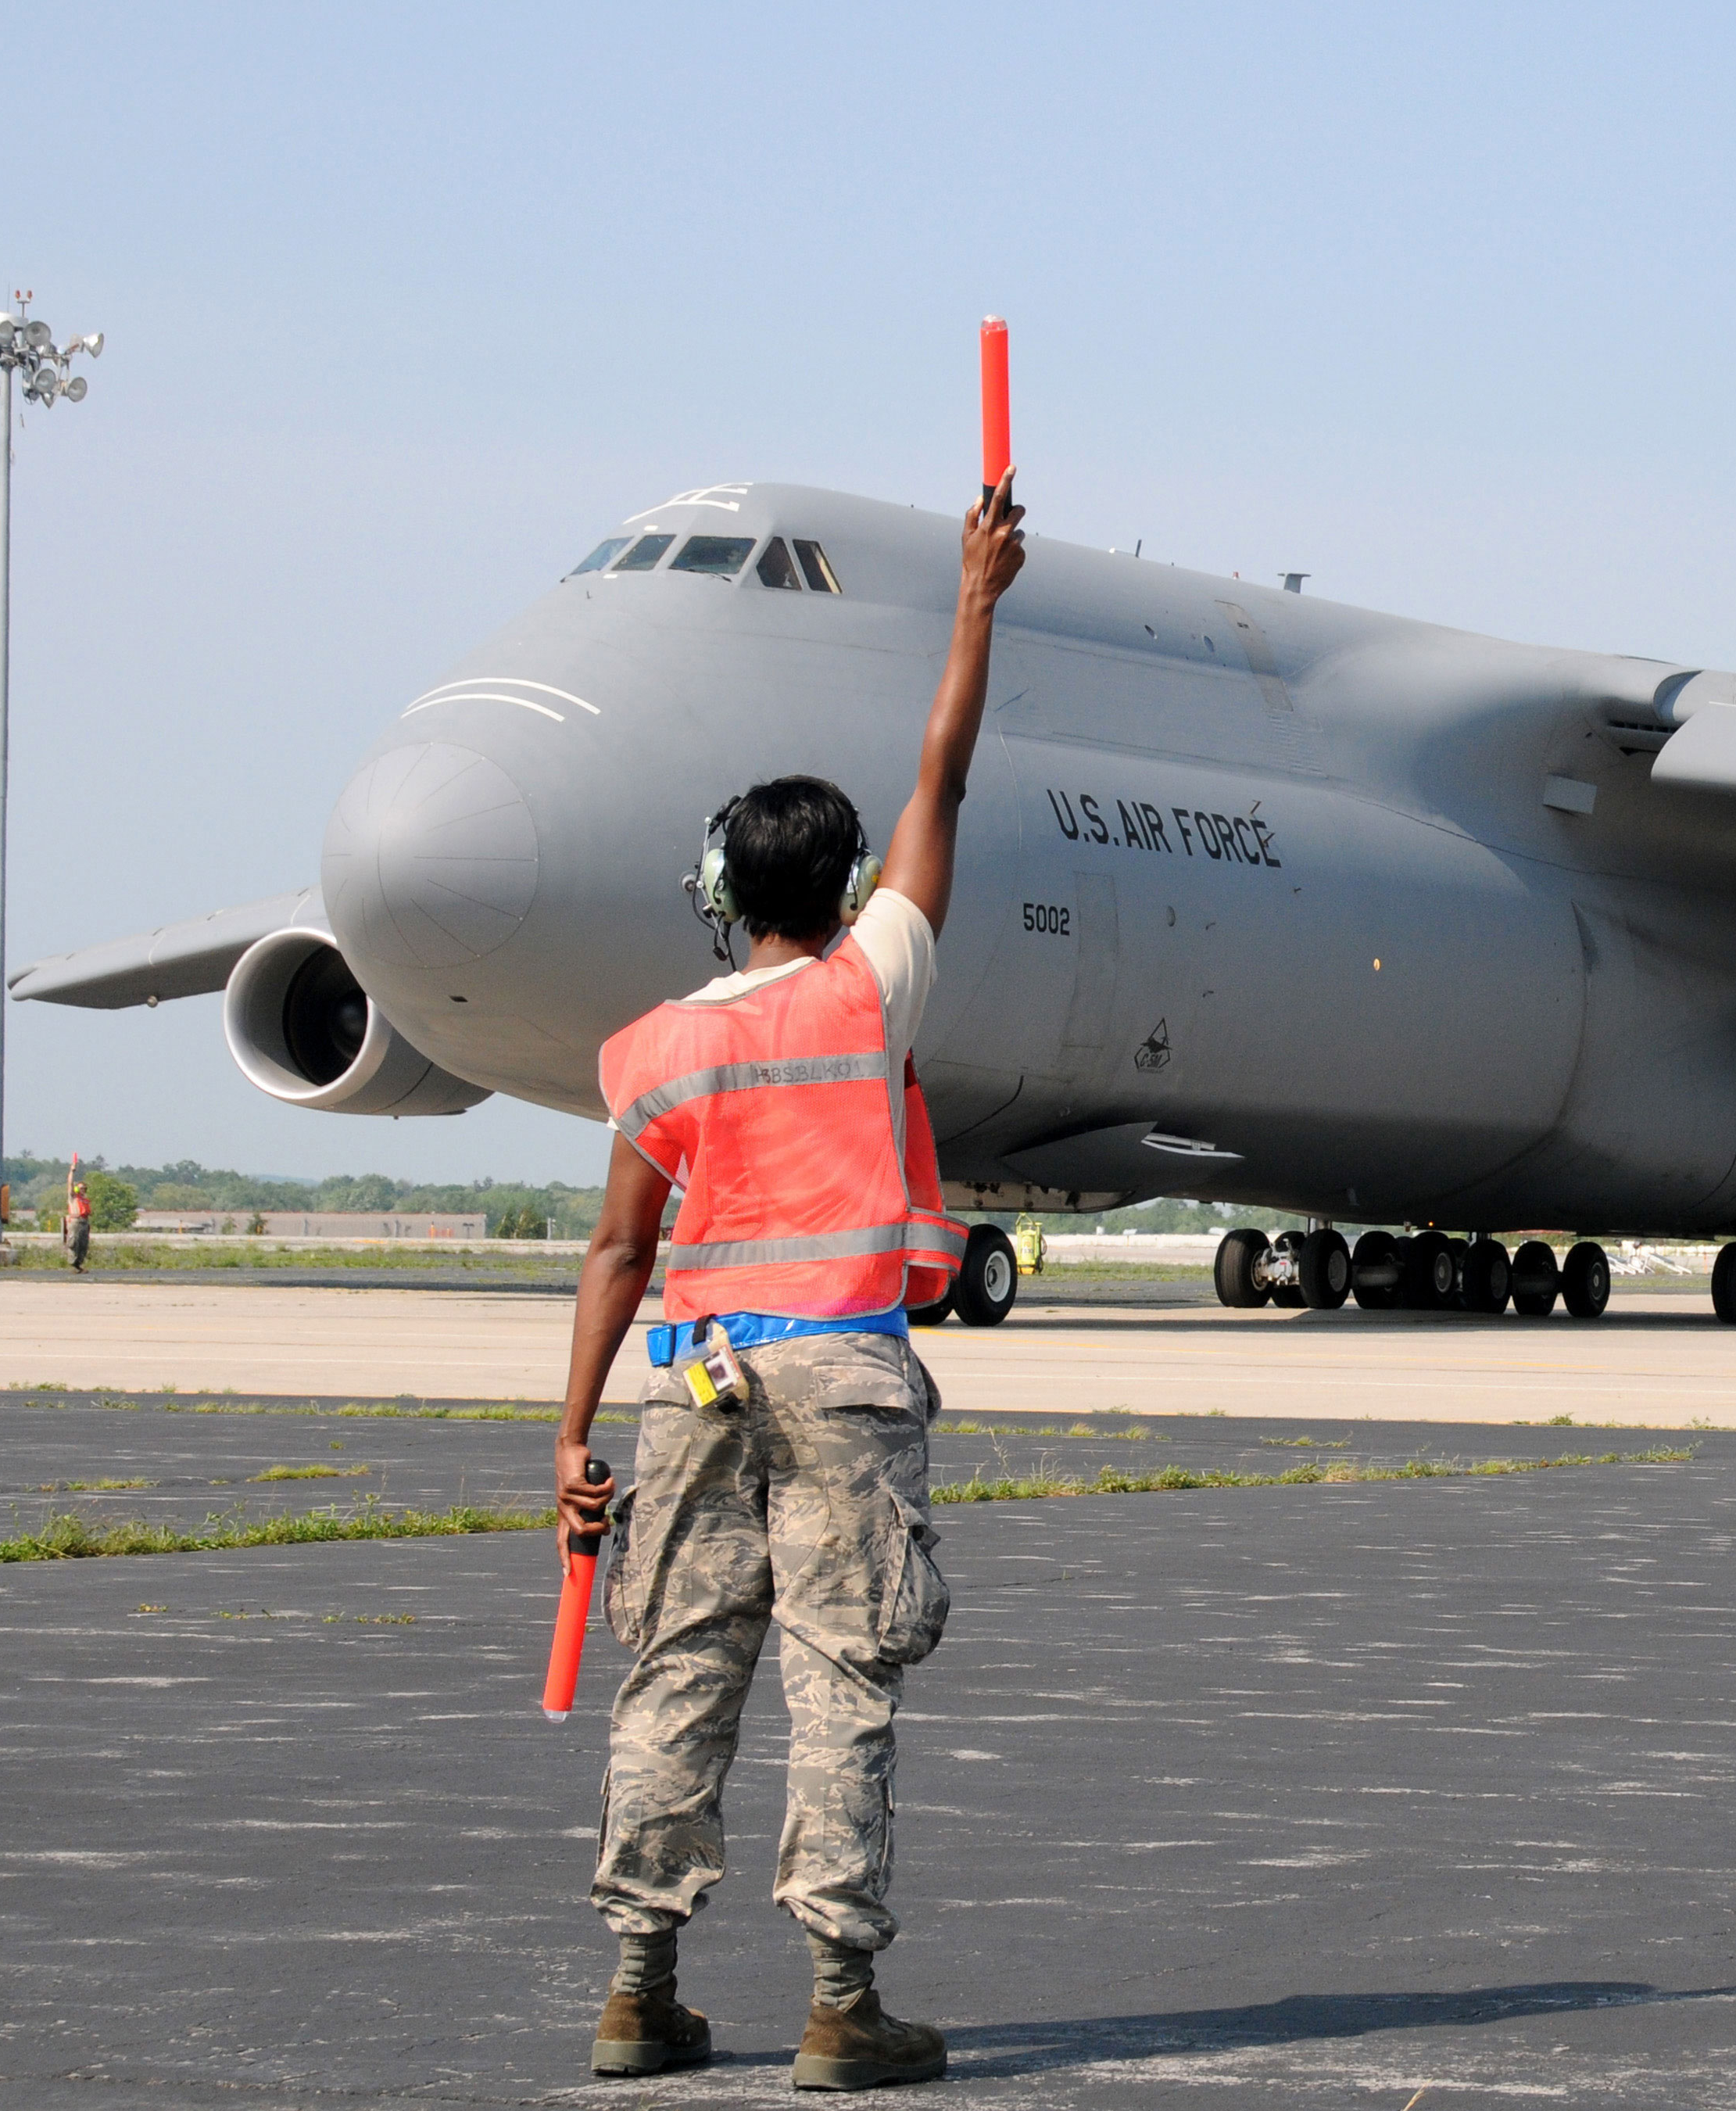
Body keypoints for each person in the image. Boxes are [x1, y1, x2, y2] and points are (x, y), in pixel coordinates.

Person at [552, 475, 1025, 2088]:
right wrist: (975, 601)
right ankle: (839, 2001)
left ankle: (638, 1983)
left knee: (677, 1663)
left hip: (686, 1381)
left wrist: (568, 1439)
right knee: (842, 1668)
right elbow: (940, 774)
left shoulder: (661, 1047)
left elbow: (620, 1248)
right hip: (837, 1374)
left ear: (721, 893)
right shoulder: (870, 987)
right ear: (839, 894)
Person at [64, 1181, 91, 1273]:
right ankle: (72, 1264)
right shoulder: (74, 1197)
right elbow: (70, 1184)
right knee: (74, 1243)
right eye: (81, 1188)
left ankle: (79, 1265)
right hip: (76, 1222)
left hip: (84, 1222)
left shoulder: (85, 1199)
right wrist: (72, 1171)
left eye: (84, 1188)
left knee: (83, 1245)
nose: (83, 1190)